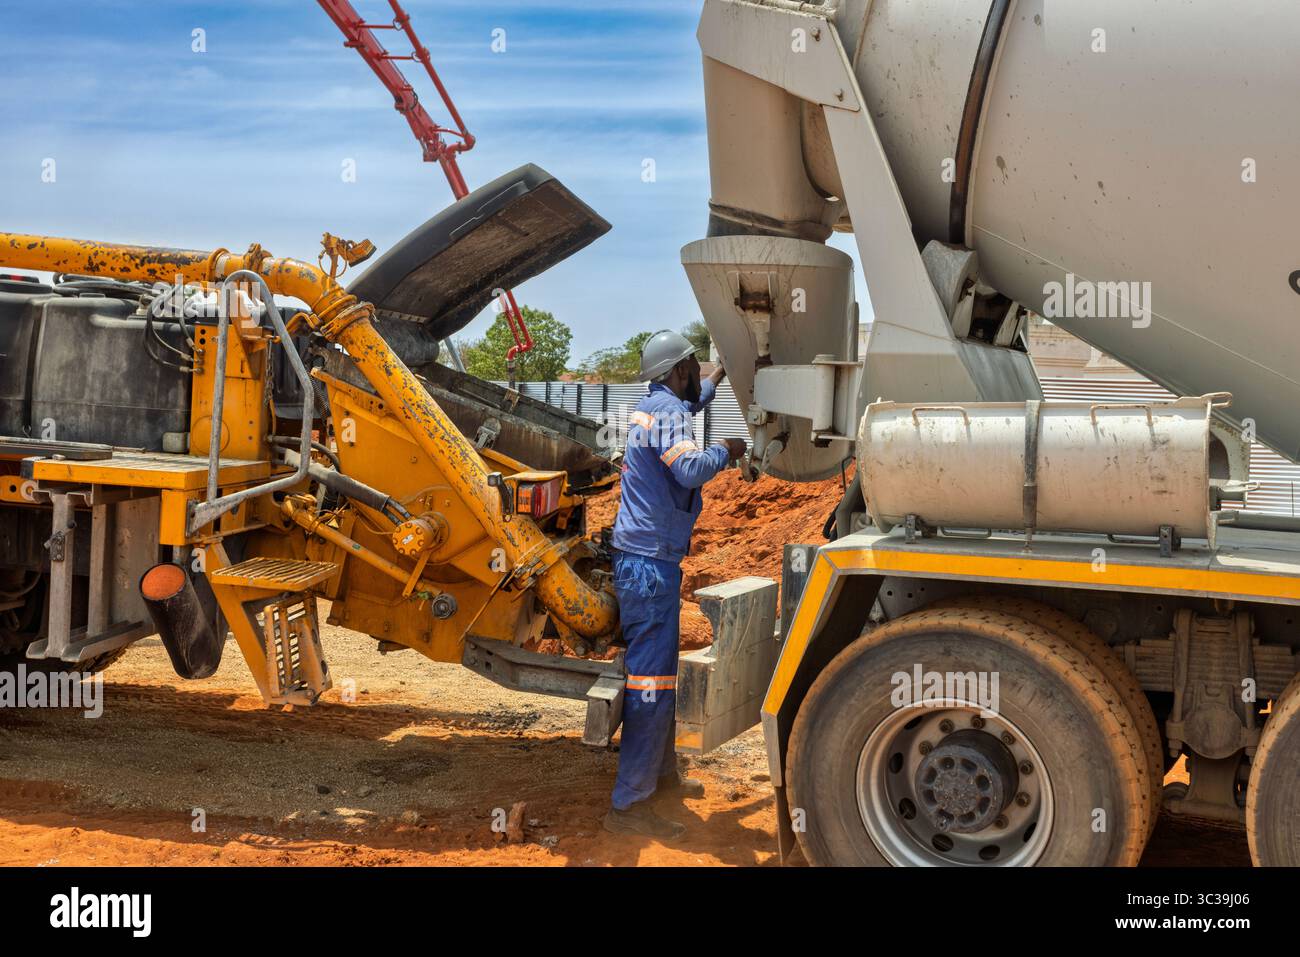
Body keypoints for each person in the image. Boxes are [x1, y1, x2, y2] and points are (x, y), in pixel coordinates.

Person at [603, 330, 748, 840]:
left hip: (647, 558)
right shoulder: (670, 414)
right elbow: (688, 468)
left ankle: (658, 779)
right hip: (648, 565)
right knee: (651, 687)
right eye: (695, 369)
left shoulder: (657, 403)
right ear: (679, 370)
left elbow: (697, 395)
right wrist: (728, 449)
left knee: (658, 680)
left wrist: (723, 370)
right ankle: (629, 806)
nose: (698, 381)